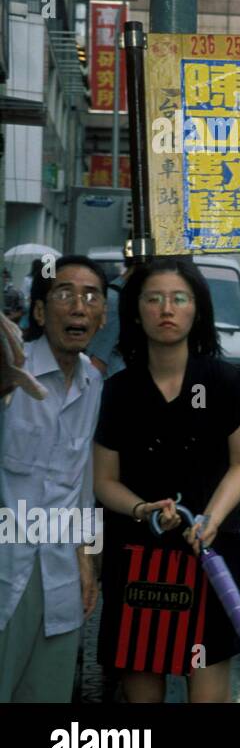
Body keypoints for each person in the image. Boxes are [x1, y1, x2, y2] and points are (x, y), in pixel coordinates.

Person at [92, 257, 240, 703]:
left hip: (209, 553)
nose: (167, 308)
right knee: (142, 695)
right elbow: (103, 480)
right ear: (136, 310)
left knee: (206, 692)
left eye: (179, 298)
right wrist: (141, 509)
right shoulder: (116, 391)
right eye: (154, 298)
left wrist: (212, 518)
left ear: (197, 309)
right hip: (138, 557)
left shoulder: (228, 383)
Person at [0, 255, 107, 702]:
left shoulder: (94, 383)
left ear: (102, 316)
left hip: (60, 576)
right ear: (41, 311)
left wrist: (88, 560)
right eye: (64, 294)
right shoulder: (9, 375)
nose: (78, 306)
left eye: (91, 296)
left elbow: (84, 486)